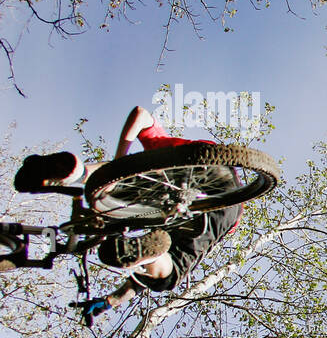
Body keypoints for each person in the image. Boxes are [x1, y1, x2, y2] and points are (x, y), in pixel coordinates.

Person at [9, 105, 242, 318]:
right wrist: (118, 167)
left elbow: (140, 114)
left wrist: (118, 164)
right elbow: (142, 281)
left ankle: (75, 174)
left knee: (122, 184)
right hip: (226, 206)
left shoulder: (170, 149)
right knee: (170, 270)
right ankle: (153, 253)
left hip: (206, 180)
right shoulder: (175, 155)